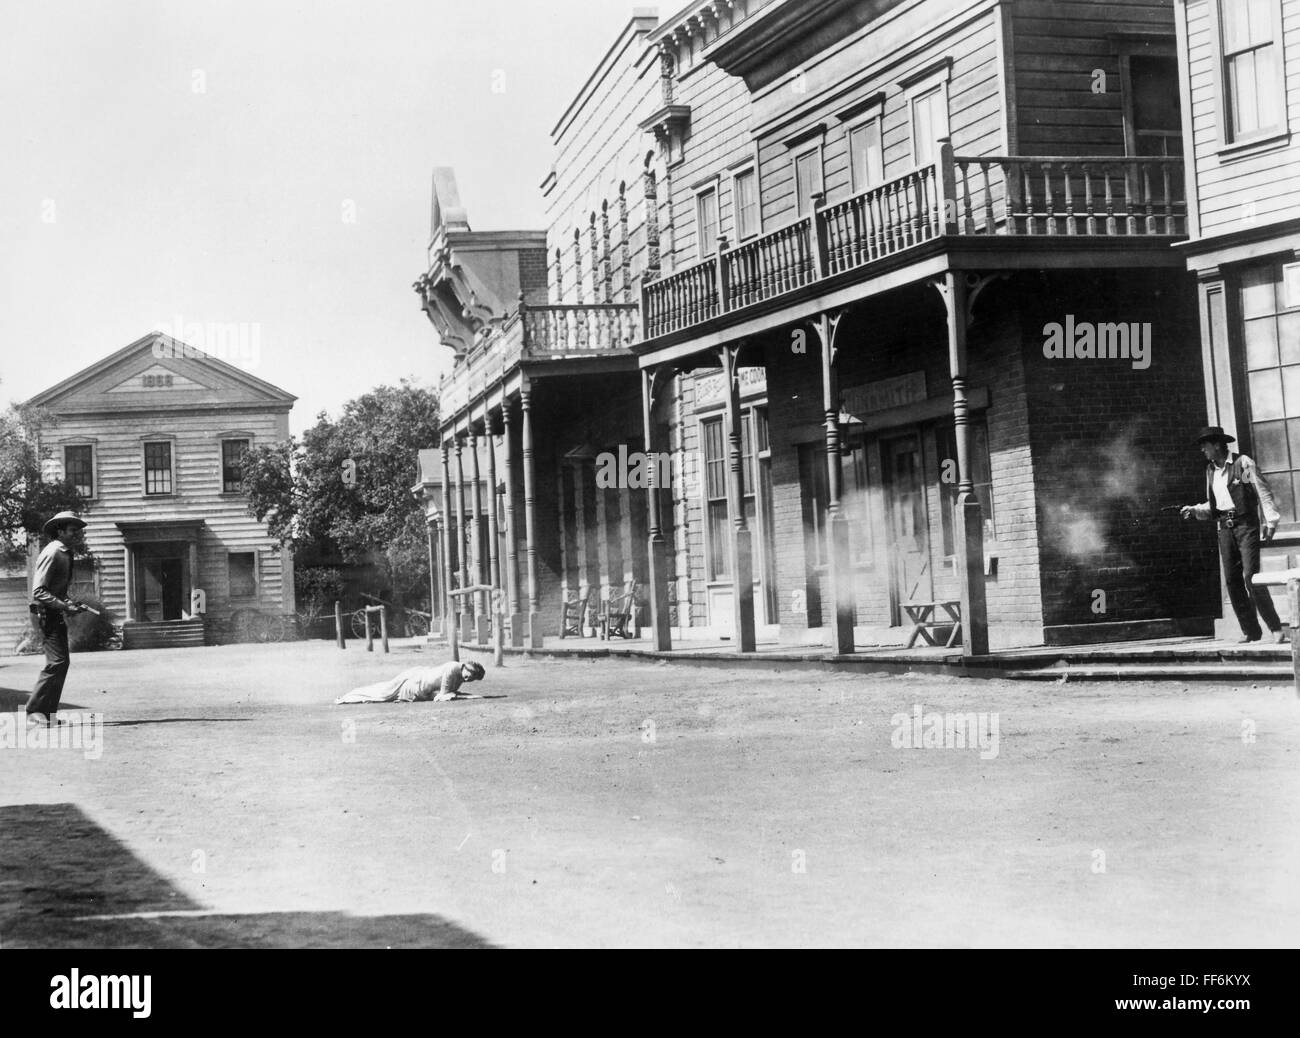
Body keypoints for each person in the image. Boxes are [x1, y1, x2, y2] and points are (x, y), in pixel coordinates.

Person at [1179, 426, 1285, 644]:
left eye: (1205, 446)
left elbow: (1260, 490)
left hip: (1246, 526)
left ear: (1217, 444)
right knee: (1232, 581)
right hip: (1224, 529)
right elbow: (1215, 505)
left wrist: (1271, 520)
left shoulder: (1242, 464)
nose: (1202, 450)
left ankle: (1275, 627)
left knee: (1250, 576)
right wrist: (1195, 510)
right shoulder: (1211, 471)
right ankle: (1251, 631)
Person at [28, 511, 90, 725]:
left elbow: (56, 591)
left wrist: (70, 603)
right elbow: (39, 591)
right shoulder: (53, 552)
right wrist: (65, 606)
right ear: (60, 531)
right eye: (72, 530)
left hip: (53, 611)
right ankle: (34, 711)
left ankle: (47, 714)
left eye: (77, 531)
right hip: (44, 613)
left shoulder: (65, 552)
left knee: (62, 662)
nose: (76, 535)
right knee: (57, 661)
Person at [334, 659, 486, 705]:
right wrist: (469, 697)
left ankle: (349, 695)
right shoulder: (453, 668)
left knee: (383, 692)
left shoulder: (460, 675)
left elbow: (444, 693)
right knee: (382, 694)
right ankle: (348, 697)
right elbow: (444, 694)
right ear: (466, 667)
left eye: (472, 679)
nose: (468, 678)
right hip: (413, 682)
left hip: (420, 685)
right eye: (469, 674)